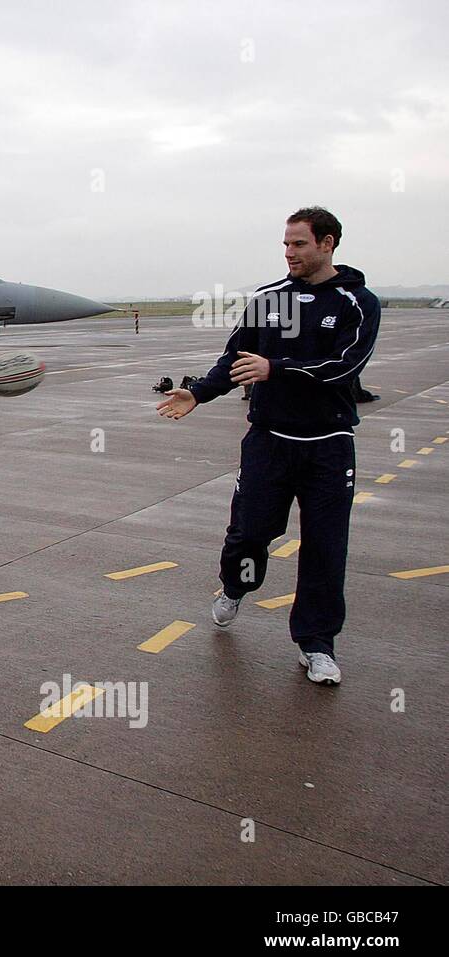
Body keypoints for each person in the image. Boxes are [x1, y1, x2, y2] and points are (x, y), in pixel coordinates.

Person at [155, 207, 379, 685]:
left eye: (299, 244)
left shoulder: (357, 303)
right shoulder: (270, 299)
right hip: (269, 442)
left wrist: (276, 369)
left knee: (325, 547)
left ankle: (316, 645)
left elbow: (344, 367)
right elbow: (235, 357)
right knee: (250, 533)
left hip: (329, 445)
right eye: (285, 244)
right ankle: (235, 586)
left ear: (328, 243)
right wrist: (198, 392)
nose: (289, 253)